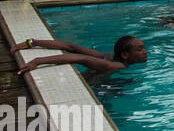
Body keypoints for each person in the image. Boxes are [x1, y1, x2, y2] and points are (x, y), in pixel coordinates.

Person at [10, 35, 147, 77]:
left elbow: (71, 47)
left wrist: (33, 42)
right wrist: (37, 61)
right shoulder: (114, 65)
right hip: (94, 89)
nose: (145, 52)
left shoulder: (107, 56)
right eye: (139, 49)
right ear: (125, 54)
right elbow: (82, 58)